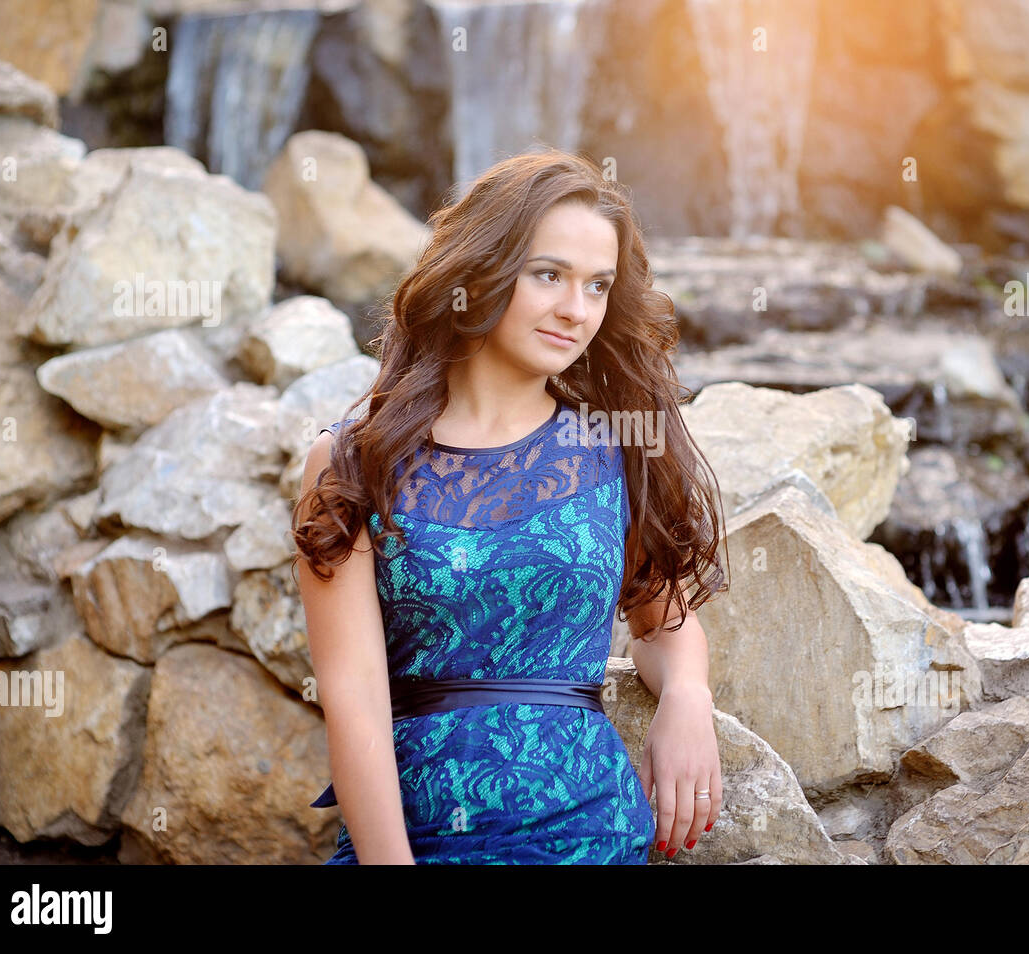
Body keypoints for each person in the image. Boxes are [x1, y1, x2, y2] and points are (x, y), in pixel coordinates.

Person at [291, 148, 729, 864]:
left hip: (590, 831)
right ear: (480, 270)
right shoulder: (350, 464)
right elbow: (354, 698)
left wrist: (686, 694)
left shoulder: (618, 447)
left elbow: (663, 619)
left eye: (597, 287)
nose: (575, 310)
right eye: (548, 275)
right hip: (419, 837)